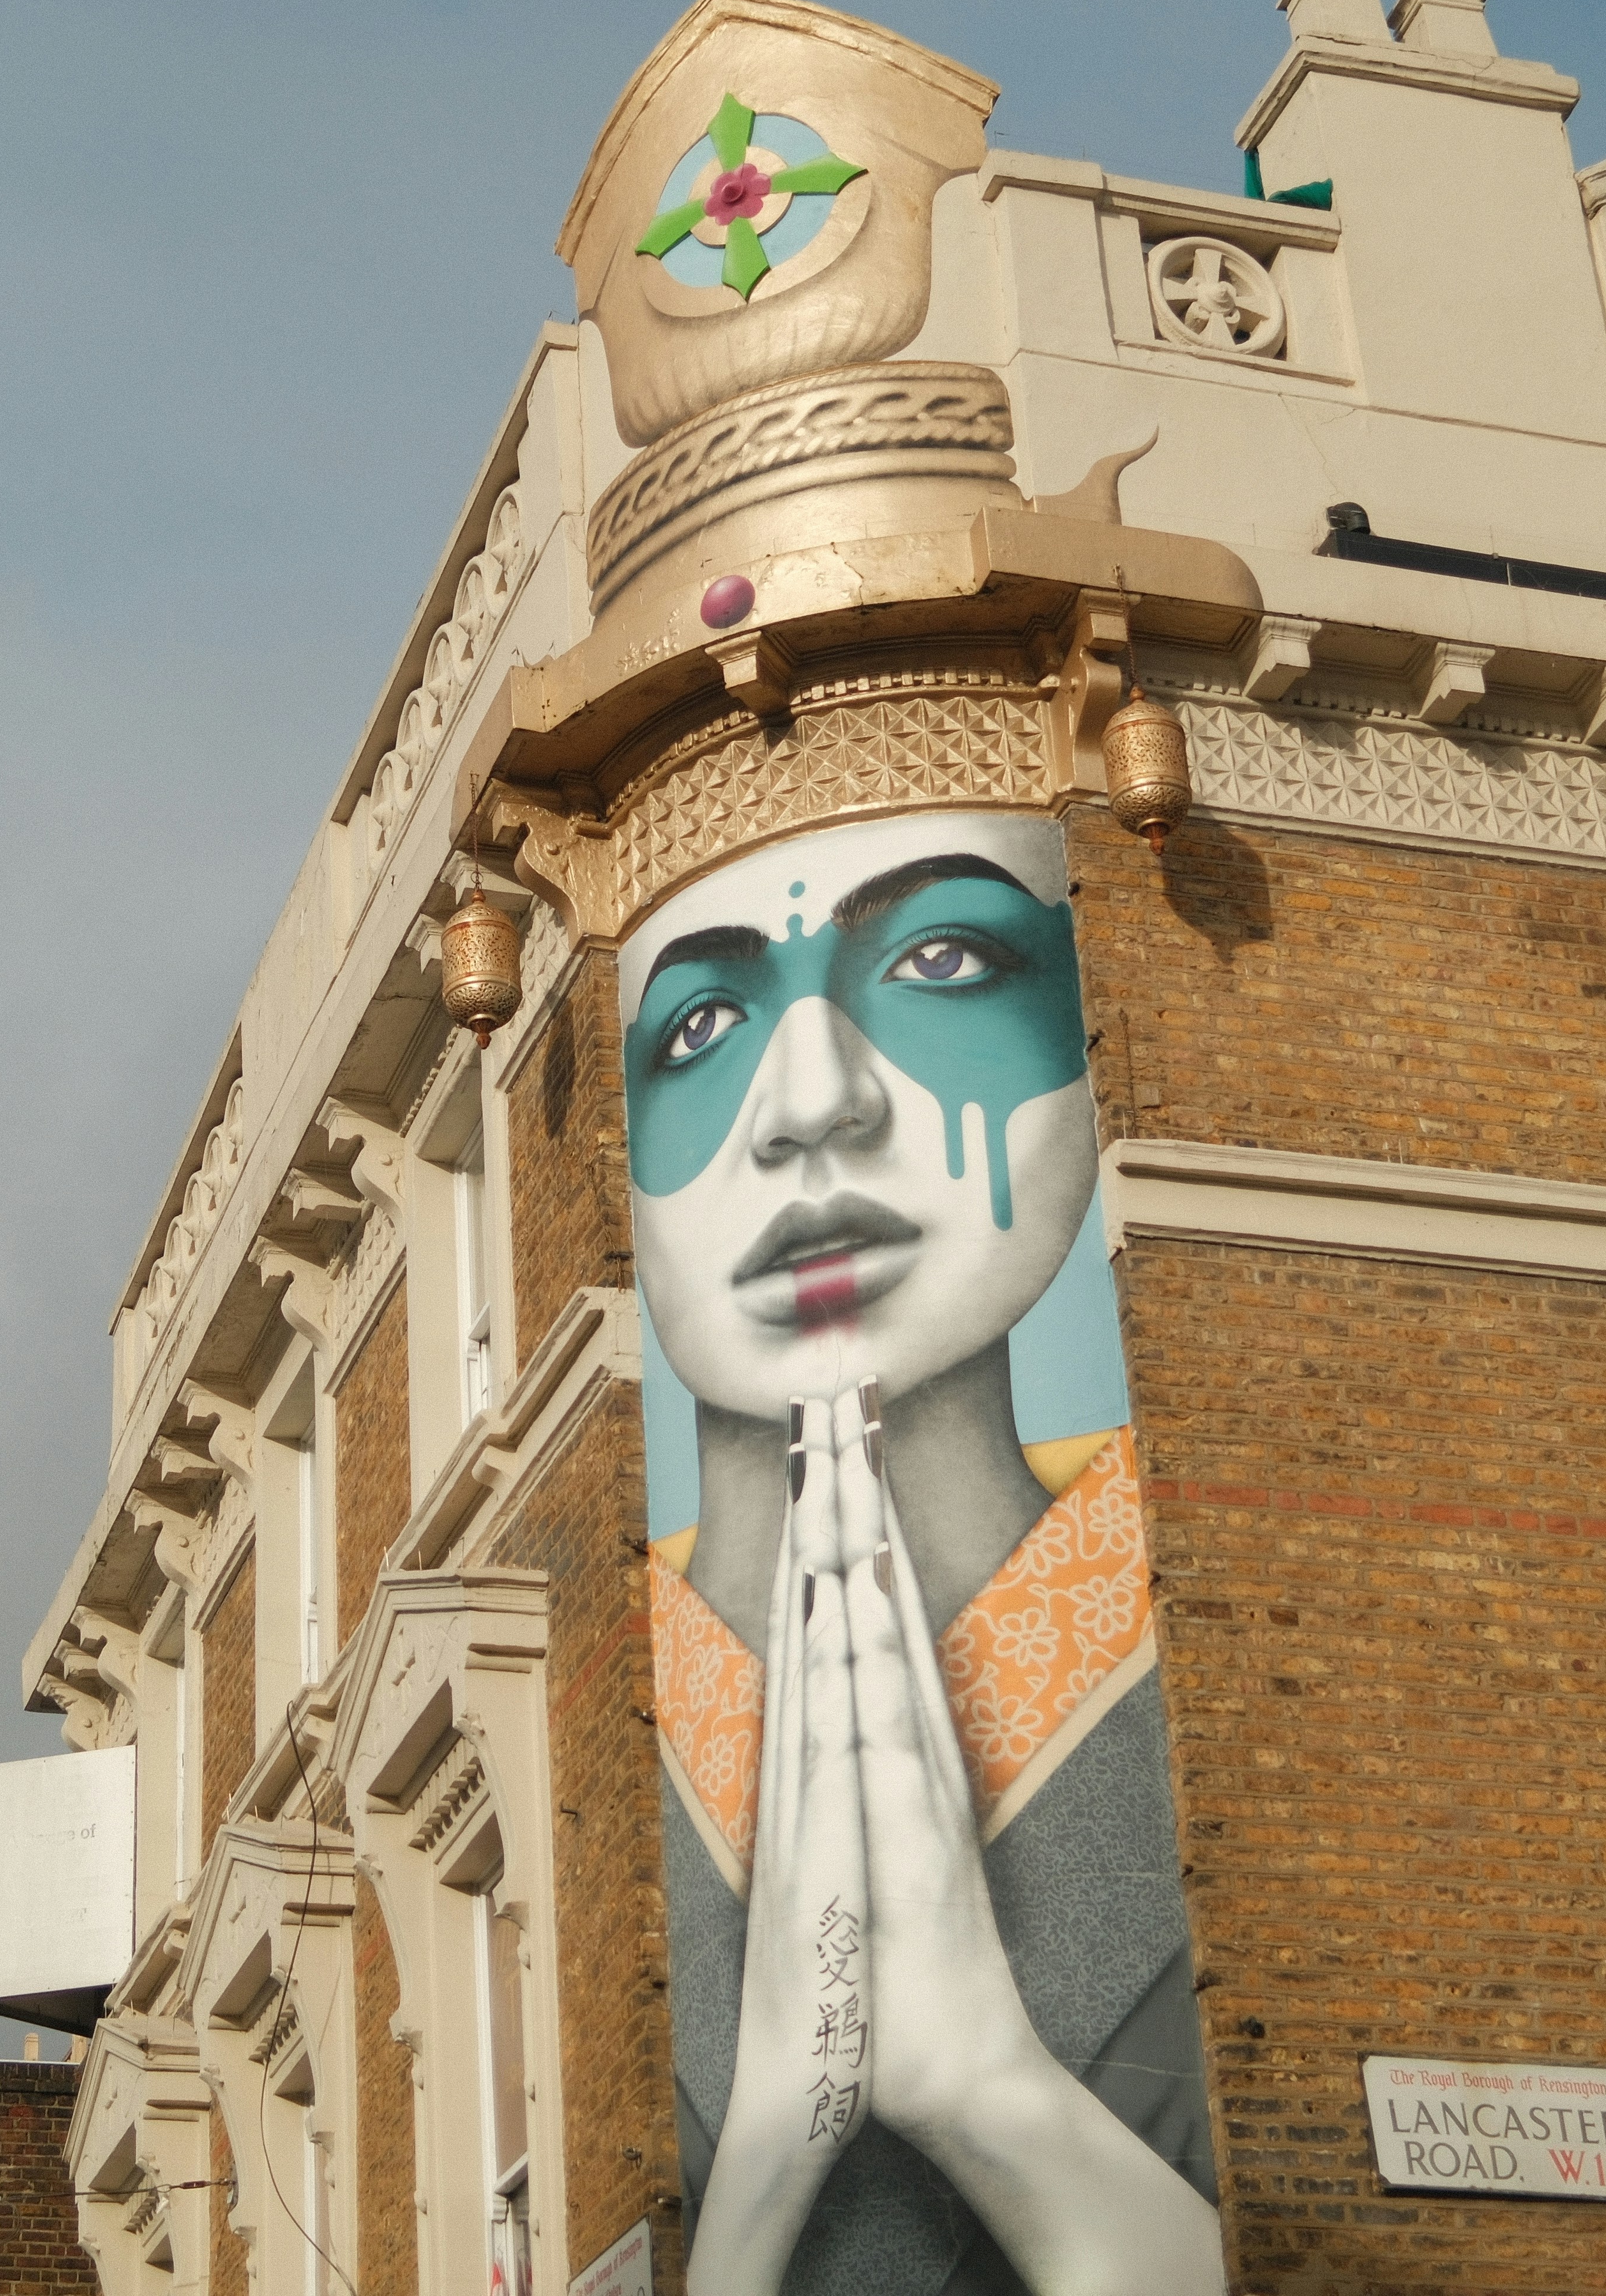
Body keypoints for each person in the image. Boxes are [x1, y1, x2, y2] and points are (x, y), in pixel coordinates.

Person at [623, 809, 1223, 2296]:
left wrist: (984, 2092)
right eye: (698, 1022)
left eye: (942, 955)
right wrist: (767, 2157)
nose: (812, 1102)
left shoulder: (1230, 1624)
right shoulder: (625, 1739)